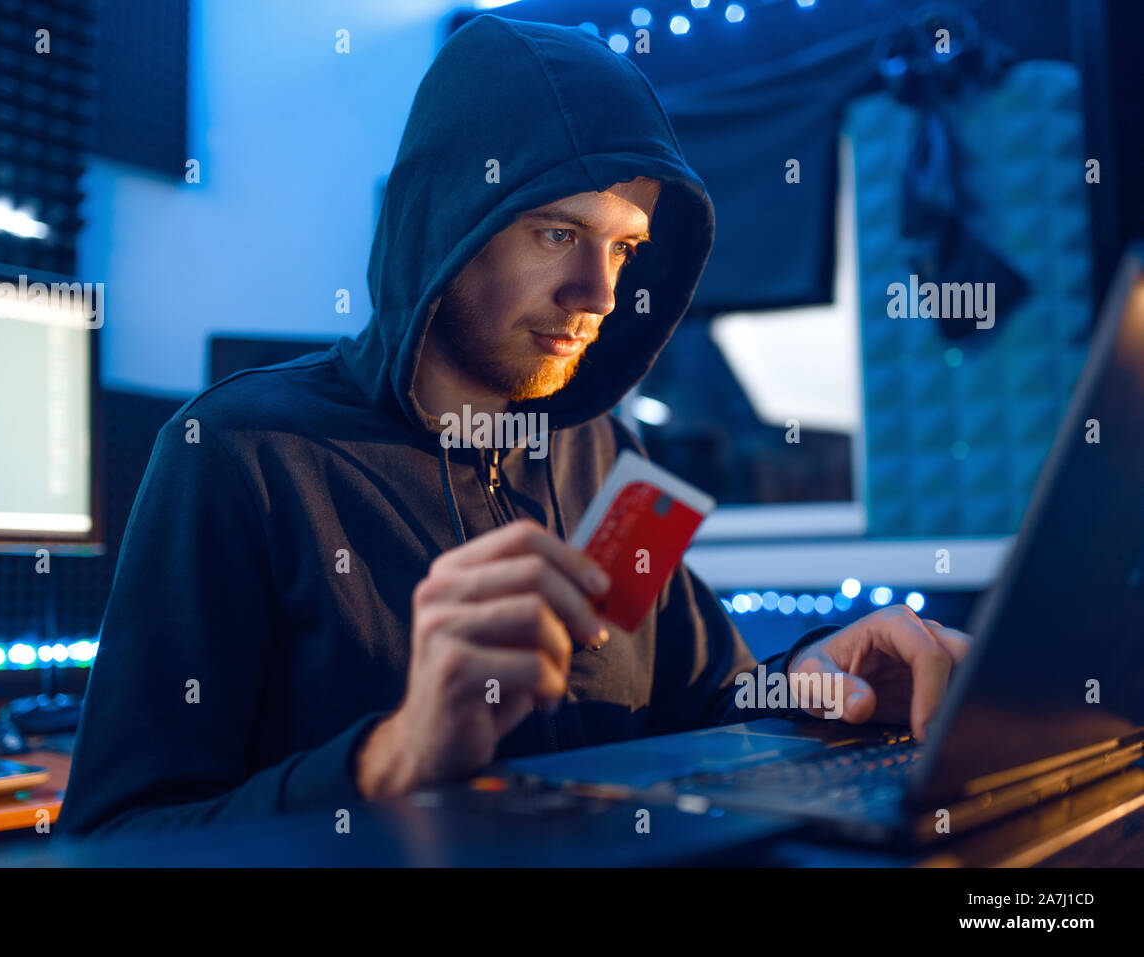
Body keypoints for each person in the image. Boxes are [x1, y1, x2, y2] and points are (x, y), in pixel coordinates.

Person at [58, 15, 968, 837]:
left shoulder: (612, 458)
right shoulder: (238, 453)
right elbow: (113, 838)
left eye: (624, 248)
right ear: (450, 221)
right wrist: (387, 759)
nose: (601, 296)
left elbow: (702, 706)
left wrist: (814, 677)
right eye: (557, 234)